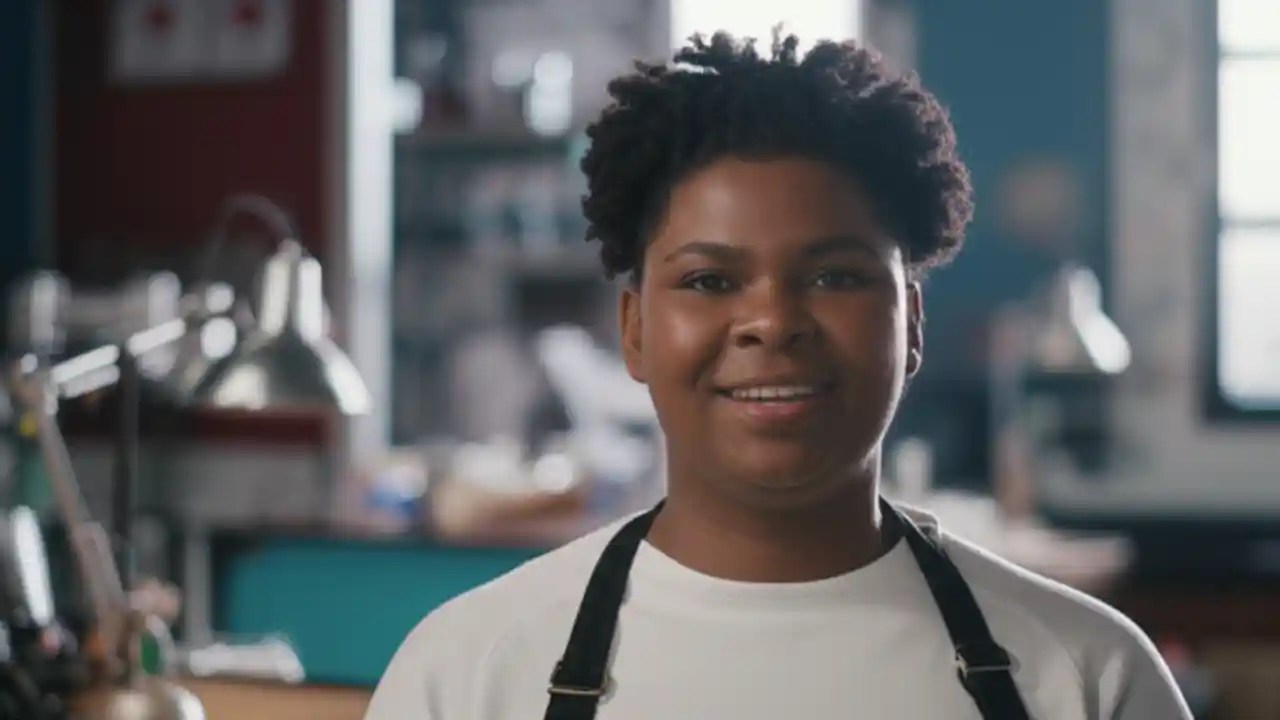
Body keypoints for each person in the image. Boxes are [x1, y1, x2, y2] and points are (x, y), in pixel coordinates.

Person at [365, 32, 1191, 719]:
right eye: (709, 281)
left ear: (912, 323)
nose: (772, 320)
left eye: (834, 276)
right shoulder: (465, 677)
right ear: (636, 330)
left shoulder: (1090, 678)